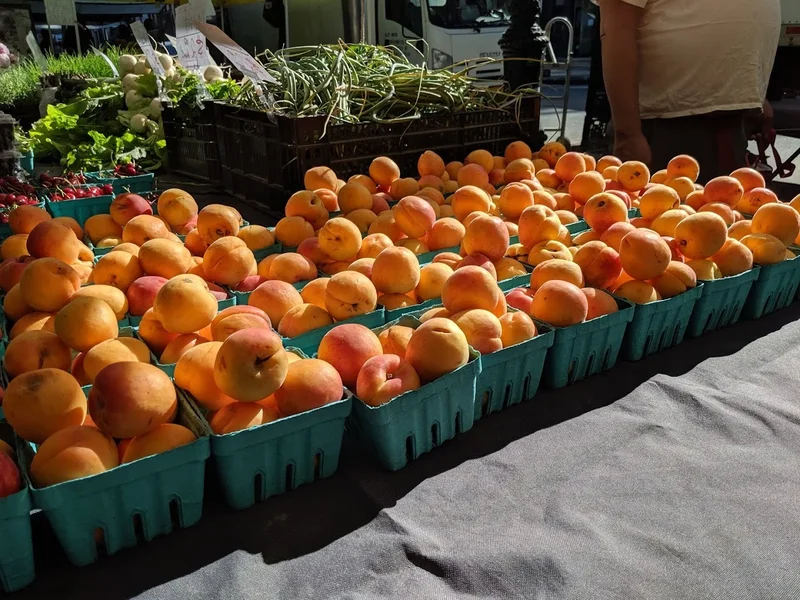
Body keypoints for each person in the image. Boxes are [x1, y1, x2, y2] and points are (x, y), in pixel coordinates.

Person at [596, 0, 781, 181]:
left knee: (720, 209)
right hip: (666, 128)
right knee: (668, 208)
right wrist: (628, 134)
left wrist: (754, 93)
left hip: (728, 124)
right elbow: (616, 27)